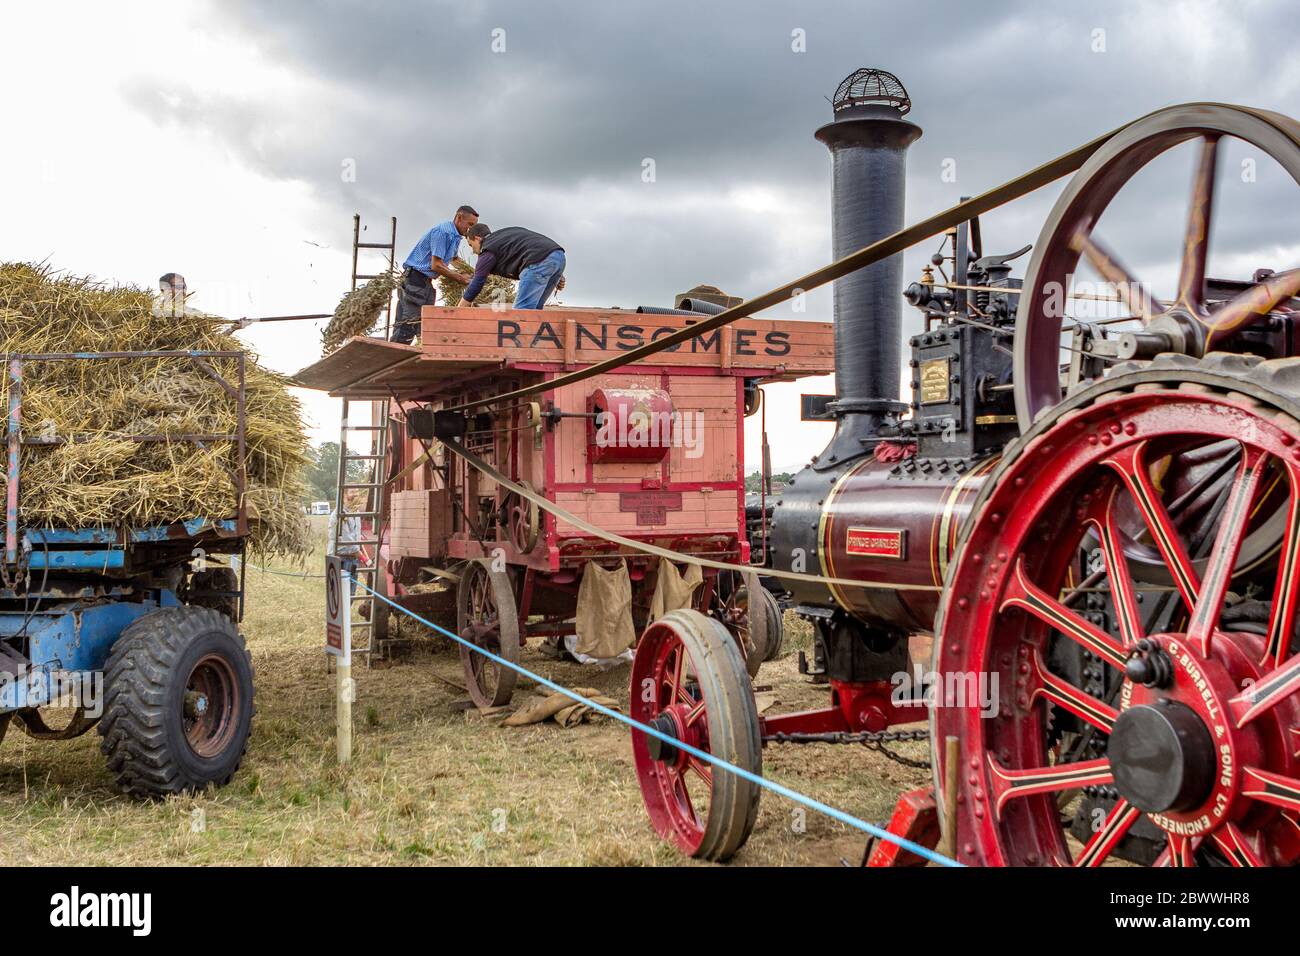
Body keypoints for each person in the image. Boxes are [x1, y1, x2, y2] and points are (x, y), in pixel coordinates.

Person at [393, 205, 479, 343]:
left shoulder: (456, 236)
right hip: (415, 280)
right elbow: (436, 265)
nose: (470, 229)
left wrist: (473, 273)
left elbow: (454, 259)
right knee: (408, 324)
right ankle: (395, 359)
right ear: (459, 218)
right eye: (469, 224)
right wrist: (461, 278)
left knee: (425, 324)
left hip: (425, 283)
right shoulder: (444, 232)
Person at [458, 224, 566, 310]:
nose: (473, 251)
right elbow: (534, 246)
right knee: (535, 311)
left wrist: (458, 311)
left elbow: (477, 283)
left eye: (471, 245)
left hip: (538, 262)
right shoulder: (504, 236)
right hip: (559, 256)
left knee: (522, 313)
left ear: (477, 239)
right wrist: (555, 272)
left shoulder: (487, 250)